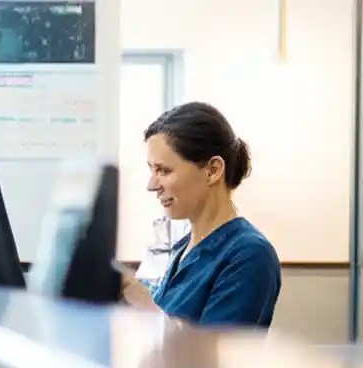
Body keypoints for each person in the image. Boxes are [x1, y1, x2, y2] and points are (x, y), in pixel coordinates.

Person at [118, 102, 282, 328]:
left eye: (164, 170)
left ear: (213, 170)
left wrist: (138, 297)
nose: (152, 185)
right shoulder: (183, 248)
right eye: (152, 170)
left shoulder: (249, 255)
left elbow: (213, 347)